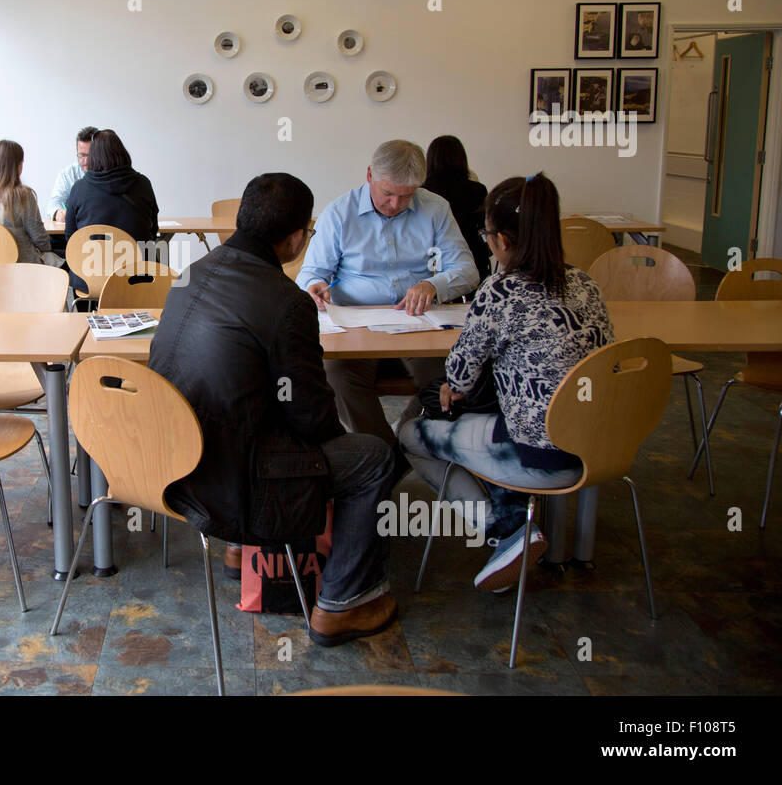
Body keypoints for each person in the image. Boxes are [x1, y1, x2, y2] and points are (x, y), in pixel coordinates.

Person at [150, 173, 399, 645]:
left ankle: (238, 548)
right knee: (375, 457)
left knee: (253, 411)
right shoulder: (288, 303)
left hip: (180, 460)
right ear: (295, 237)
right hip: (235, 478)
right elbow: (312, 418)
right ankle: (343, 604)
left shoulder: (193, 273)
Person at [397, 174, 615, 591]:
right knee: (504, 411)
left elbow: (459, 378)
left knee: (410, 433)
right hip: (598, 446)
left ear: (501, 240)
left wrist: (451, 388)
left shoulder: (501, 291)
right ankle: (548, 540)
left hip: (538, 455)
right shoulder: (586, 285)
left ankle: (506, 529)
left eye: (487, 234)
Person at [295, 139, 479, 450]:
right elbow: (311, 272)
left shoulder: (435, 208)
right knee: (336, 377)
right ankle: (383, 451)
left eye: (406, 196)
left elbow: (467, 269)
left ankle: (406, 437)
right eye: (388, 193)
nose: (395, 204)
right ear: (369, 175)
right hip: (356, 323)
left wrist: (434, 285)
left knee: (453, 376)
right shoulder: (340, 212)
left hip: (419, 320)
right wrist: (313, 285)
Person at [63, 129, 159, 293]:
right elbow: (152, 229)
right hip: (137, 278)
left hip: (90, 279)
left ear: (93, 158)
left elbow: (71, 237)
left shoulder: (79, 188)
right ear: (123, 154)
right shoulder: (143, 184)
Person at [423, 135, 491, 282]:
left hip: (432, 260)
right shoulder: (477, 189)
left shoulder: (422, 192)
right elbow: (484, 226)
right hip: (473, 257)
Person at [49, 126, 96, 223]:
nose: (86, 161)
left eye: (90, 155)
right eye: (82, 155)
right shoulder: (68, 174)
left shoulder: (109, 174)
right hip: (74, 231)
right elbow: (54, 202)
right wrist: (58, 213)